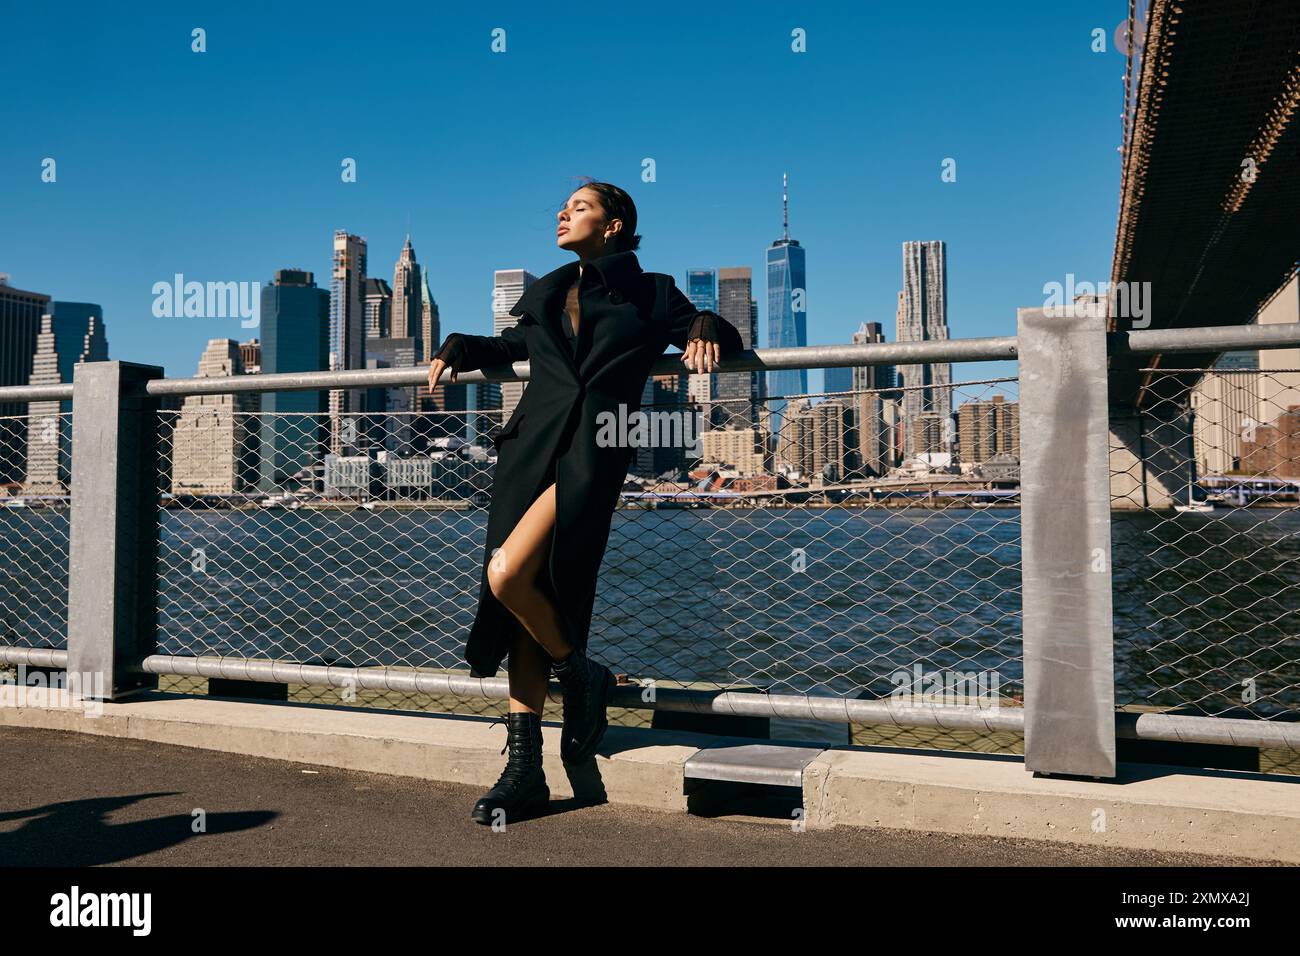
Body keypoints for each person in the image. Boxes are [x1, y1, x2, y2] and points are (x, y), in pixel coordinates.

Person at [428, 181, 744, 824]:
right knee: (523, 598)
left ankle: (578, 672)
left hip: (595, 450)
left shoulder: (651, 291)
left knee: (513, 574)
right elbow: (515, 351)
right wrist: (461, 345)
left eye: (579, 207)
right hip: (529, 446)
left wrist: (708, 323)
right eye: (562, 208)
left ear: (615, 224)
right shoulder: (546, 289)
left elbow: (704, 333)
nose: (562, 214)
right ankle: (526, 767)